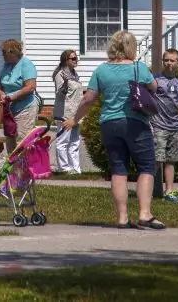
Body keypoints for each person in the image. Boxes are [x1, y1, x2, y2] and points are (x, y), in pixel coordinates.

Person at [62, 30, 164, 230]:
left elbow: (88, 99)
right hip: (135, 122)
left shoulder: (101, 71)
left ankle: (123, 218)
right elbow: (154, 86)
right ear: (131, 47)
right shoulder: (139, 68)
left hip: (109, 123)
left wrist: (75, 119)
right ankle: (145, 213)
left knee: (118, 169)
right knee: (146, 166)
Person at [152, 47, 178, 203]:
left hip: (174, 127)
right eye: (165, 60)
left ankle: (169, 192)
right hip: (158, 125)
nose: (168, 63)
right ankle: (149, 191)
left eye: (172, 60)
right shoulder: (156, 80)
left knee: (171, 160)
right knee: (156, 159)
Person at [0, 39, 39, 154]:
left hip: (25, 107)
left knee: (23, 140)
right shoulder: (7, 66)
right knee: (10, 139)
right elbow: (1, 84)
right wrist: (2, 95)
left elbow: (30, 87)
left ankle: (25, 169)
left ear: (12, 52)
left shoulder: (26, 64)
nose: (2, 55)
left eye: (4, 52)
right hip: (10, 109)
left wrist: (11, 97)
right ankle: (12, 169)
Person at [52, 49, 83, 174]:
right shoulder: (61, 74)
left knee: (75, 141)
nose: (76, 60)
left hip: (76, 113)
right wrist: (65, 84)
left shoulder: (74, 74)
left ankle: (76, 168)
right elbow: (59, 93)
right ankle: (64, 168)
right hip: (64, 112)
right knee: (63, 141)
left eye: (76, 58)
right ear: (66, 60)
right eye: (73, 58)